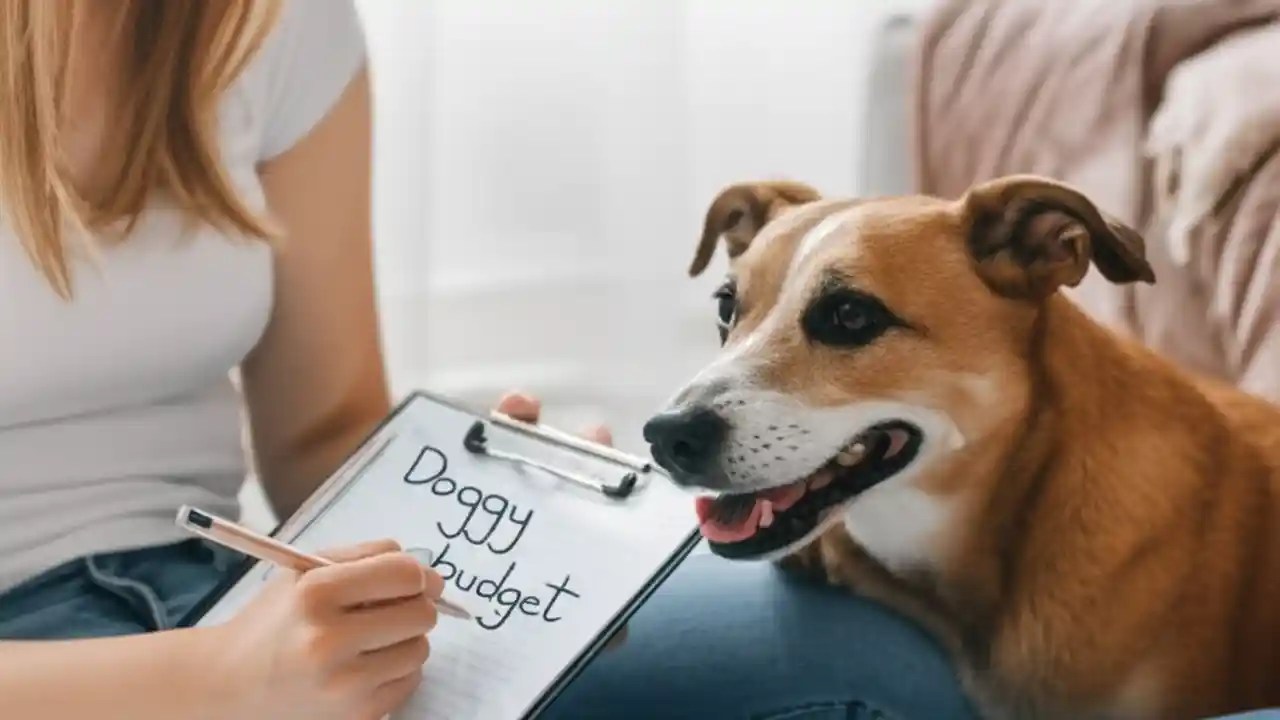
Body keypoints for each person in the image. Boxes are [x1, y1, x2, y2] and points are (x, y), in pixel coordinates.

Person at [0, 1, 975, 718]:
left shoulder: (266, 25)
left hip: (213, 589)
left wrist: (489, 521)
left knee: (879, 673)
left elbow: (322, 433)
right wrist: (209, 682)